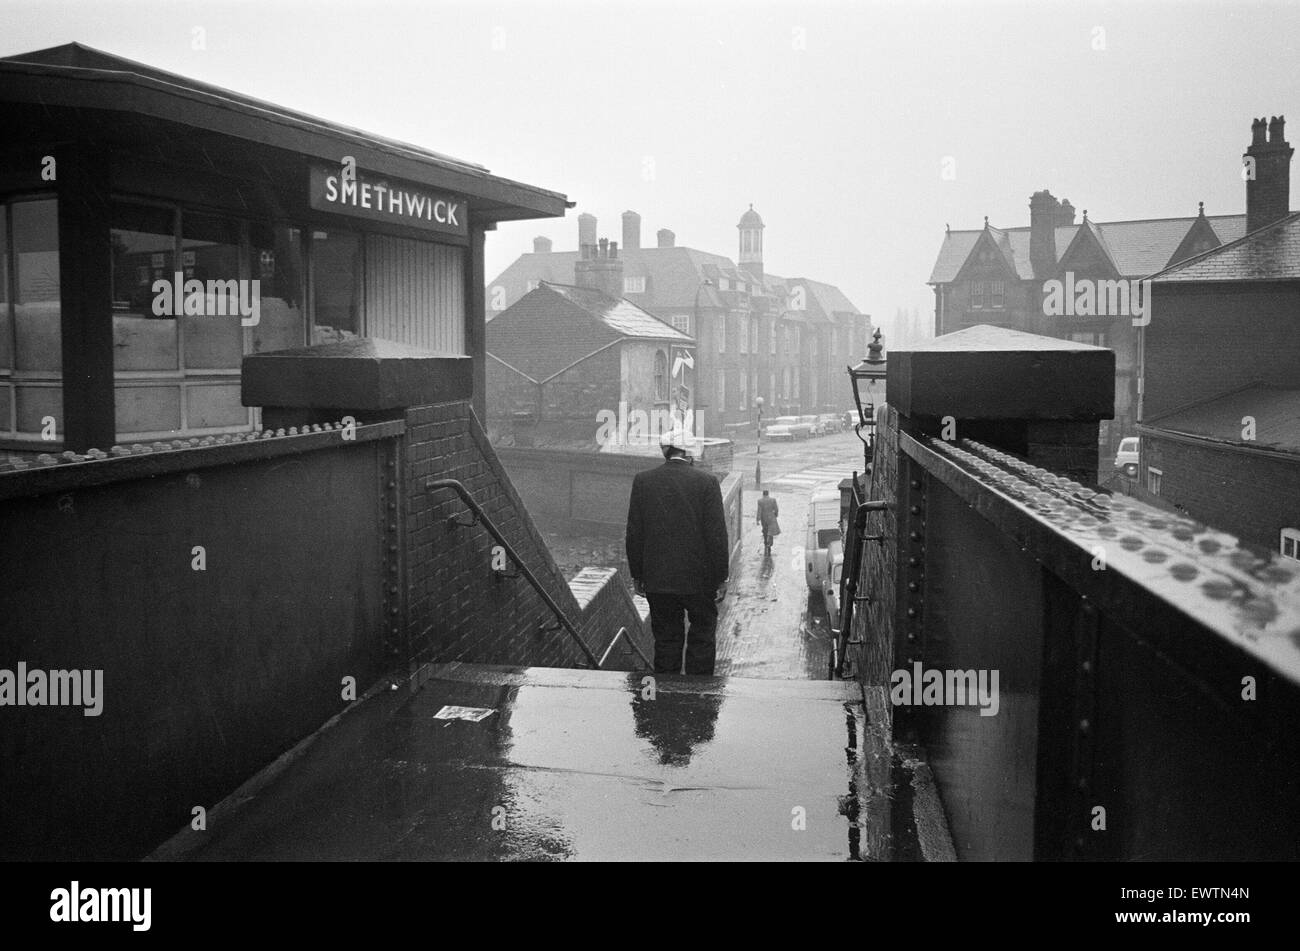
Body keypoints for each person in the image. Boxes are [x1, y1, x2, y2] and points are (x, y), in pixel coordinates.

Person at [625, 428, 730, 675]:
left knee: (666, 641)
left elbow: (634, 533)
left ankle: (666, 696)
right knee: (702, 637)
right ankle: (698, 697)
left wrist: (637, 575)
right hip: (699, 581)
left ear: (665, 451)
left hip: (658, 580)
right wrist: (721, 577)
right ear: (690, 453)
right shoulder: (707, 482)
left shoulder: (643, 481)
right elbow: (716, 535)